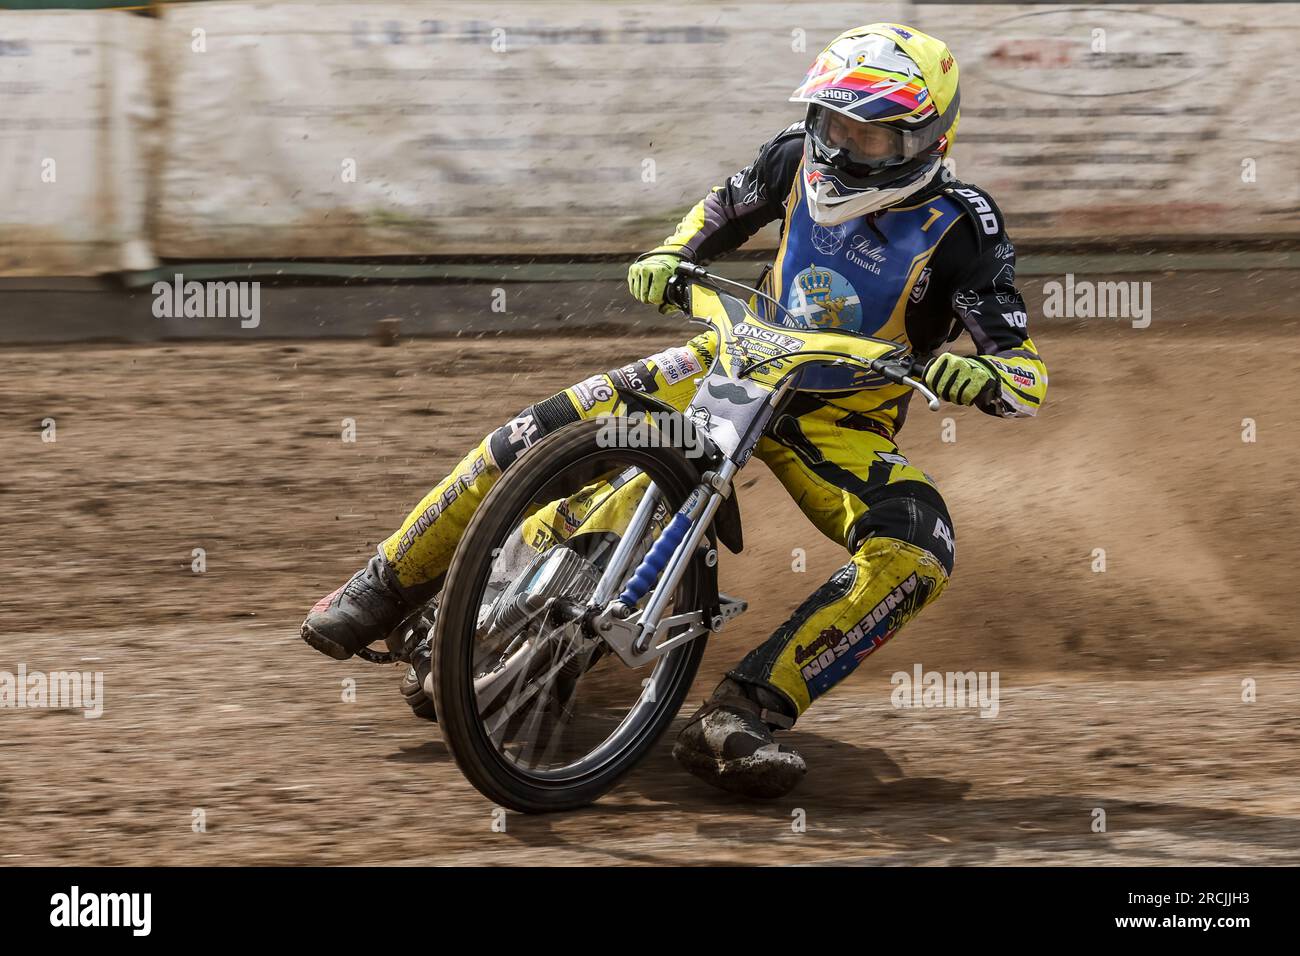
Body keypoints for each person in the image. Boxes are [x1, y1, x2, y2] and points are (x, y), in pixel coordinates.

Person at [300, 22, 1048, 798]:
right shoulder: (795, 154)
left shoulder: (965, 227)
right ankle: (380, 586)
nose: (844, 145)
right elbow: (724, 207)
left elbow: (1022, 370)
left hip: (840, 418)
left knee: (919, 547)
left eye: (872, 134)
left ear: (926, 139)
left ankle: (743, 711)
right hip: (728, 360)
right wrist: (671, 254)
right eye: (835, 123)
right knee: (533, 434)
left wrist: (981, 376)